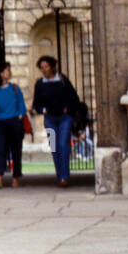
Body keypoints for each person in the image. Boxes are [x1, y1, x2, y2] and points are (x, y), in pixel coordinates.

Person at [32, 54, 81, 188]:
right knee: (54, 147)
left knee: (63, 145)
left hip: (64, 118)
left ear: (52, 66)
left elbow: (74, 98)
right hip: (50, 119)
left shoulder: (63, 81)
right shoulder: (40, 84)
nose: (44, 69)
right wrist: (43, 110)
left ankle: (64, 176)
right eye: (41, 67)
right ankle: (60, 175)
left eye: (46, 66)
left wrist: (67, 109)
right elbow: (36, 104)